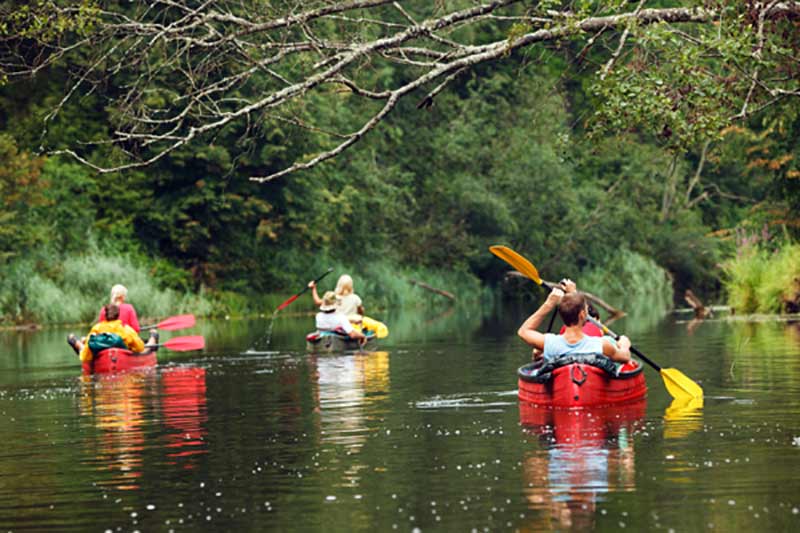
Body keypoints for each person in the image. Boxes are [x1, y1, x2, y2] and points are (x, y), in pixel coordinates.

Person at [518, 280, 631, 364]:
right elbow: (625, 357)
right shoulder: (601, 345)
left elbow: (523, 331)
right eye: (586, 310)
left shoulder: (549, 343)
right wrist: (625, 344)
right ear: (582, 315)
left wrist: (549, 303)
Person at [68, 304, 157, 363]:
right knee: (147, 346)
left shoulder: (96, 329)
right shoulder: (126, 330)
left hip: (100, 362)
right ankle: (154, 336)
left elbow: (85, 356)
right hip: (122, 361)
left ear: (105, 315)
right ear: (118, 314)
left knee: (82, 343)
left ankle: (75, 341)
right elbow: (140, 347)